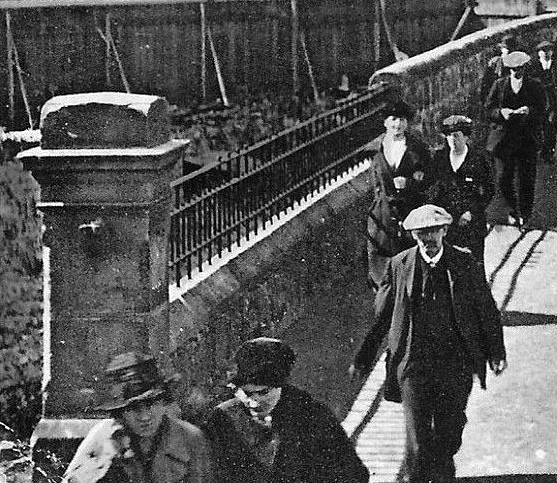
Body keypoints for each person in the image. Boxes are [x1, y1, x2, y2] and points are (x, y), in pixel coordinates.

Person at [352, 204, 507, 483]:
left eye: (433, 232)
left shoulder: (465, 262)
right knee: (417, 440)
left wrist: (496, 352)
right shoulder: (399, 265)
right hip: (414, 363)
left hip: (455, 363)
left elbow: (486, 309)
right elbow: (383, 315)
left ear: (445, 231)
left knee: (449, 432)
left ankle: (442, 465)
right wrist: (363, 358)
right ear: (413, 236)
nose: (428, 239)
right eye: (422, 234)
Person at [205, 337, 368, 483]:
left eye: (264, 393)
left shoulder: (313, 417)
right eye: (247, 393)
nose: (254, 402)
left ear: (282, 387)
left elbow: (353, 474)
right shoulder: (223, 419)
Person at [63, 352, 212, 483]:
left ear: (163, 401)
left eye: (151, 404)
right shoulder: (104, 436)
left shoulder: (190, 438)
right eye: (133, 409)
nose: (145, 417)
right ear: (120, 412)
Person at [367, 102, 433, 288]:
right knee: (381, 266)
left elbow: (430, 178)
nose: (398, 124)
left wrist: (410, 183)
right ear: (385, 122)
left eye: (402, 120)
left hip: (410, 210)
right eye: (393, 119)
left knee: (411, 262)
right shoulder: (374, 149)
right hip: (383, 214)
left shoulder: (418, 148)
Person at [482, 50, 548, 228]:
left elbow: (542, 109)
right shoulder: (499, 84)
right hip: (504, 140)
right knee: (503, 178)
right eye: (511, 69)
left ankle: (525, 214)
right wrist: (501, 112)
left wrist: (529, 111)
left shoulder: (535, 85)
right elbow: (488, 109)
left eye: (518, 69)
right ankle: (513, 209)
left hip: (527, 139)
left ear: (524, 68)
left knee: (526, 179)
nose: (515, 72)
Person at [427, 115, 494, 259]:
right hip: (446, 222)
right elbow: (433, 189)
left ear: (466, 138)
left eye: (457, 136)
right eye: (449, 136)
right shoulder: (439, 158)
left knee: (474, 264)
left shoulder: (480, 159)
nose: (452, 140)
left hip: (471, 222)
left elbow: (488, 191)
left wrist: (472, 212)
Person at [532, 41, 557, 163]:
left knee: (552, 127)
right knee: (538, 127)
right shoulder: (533, 66)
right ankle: (539, 149)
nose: (546, 53)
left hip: (553, 102)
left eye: (548, 51)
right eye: (543, 51)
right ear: (538, 53)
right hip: (538, 101)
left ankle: (548, 154)